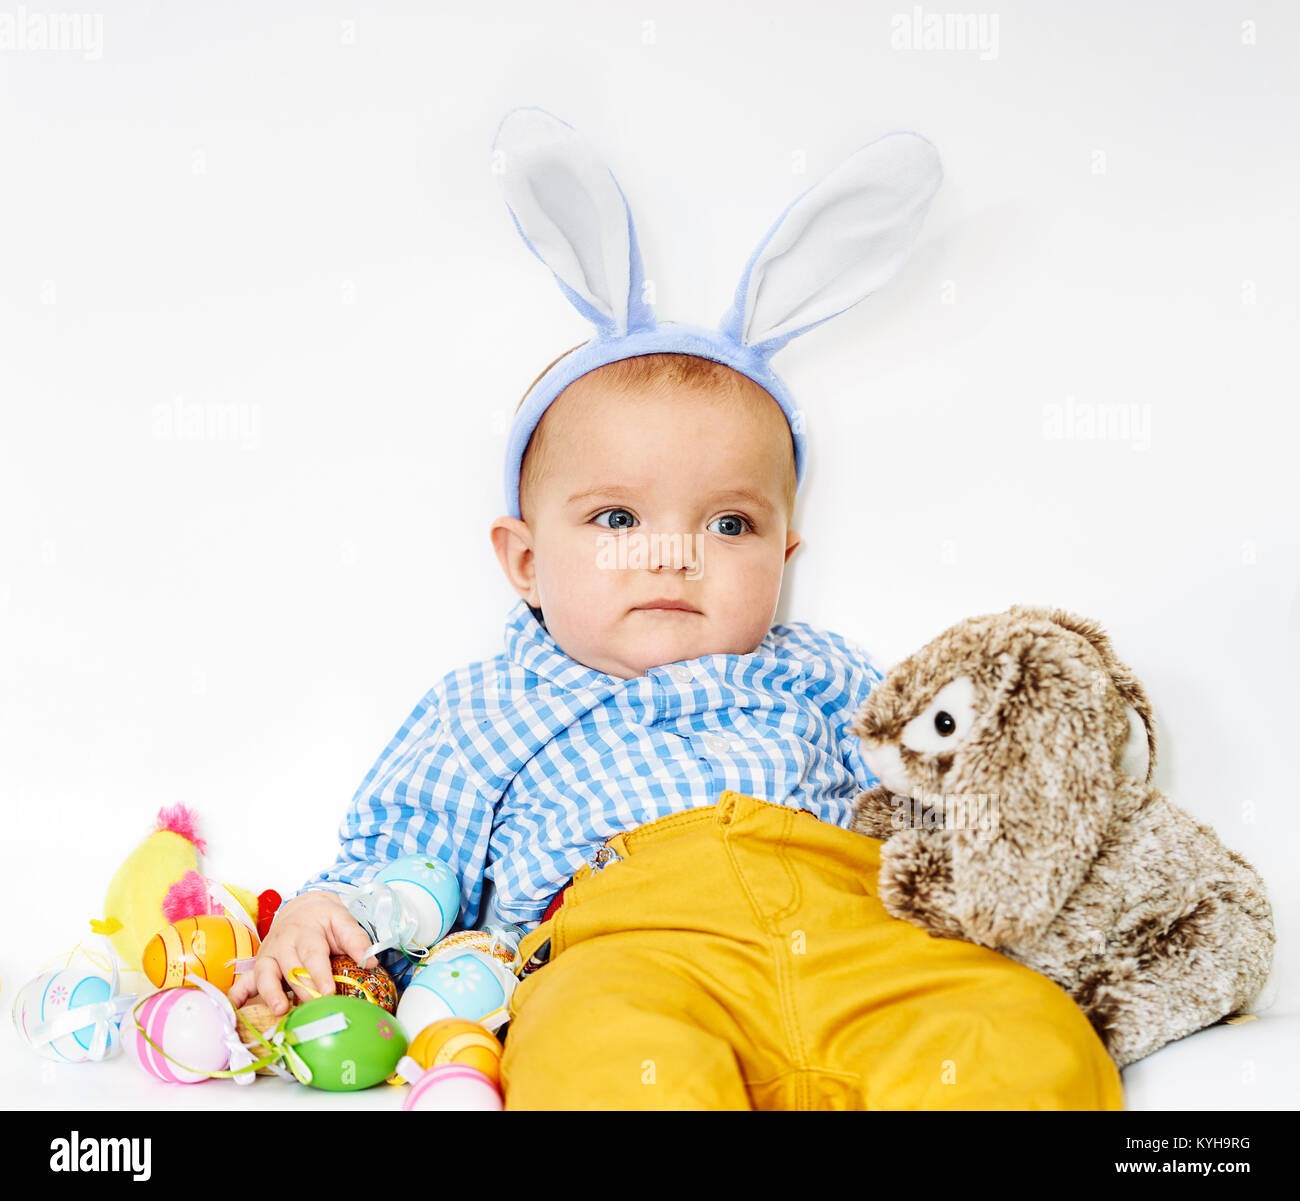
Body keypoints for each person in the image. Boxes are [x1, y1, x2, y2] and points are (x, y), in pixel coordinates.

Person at [227, 107, 1125, 1109]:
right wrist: (325, 911)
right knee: (596, 1060)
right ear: (524, 561)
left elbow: (930, 795)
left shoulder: (819, 669)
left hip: (858, 935)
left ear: (784, 553)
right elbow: (413, 852)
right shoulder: (493, 702)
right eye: (616, 516)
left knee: (1025, 1033)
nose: (673, 555)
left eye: (729, 526)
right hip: (627, 946)